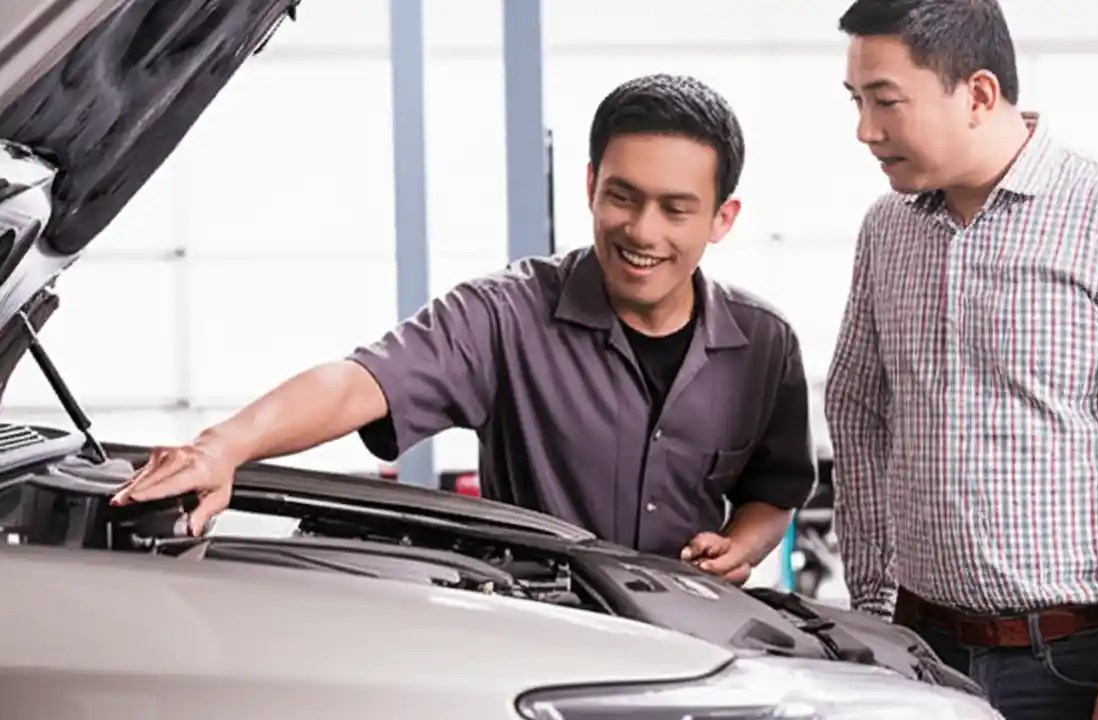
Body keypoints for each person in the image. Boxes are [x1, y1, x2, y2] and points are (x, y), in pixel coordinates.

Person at [110, 73, 816, 585]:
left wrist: (742, 546)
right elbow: (359, 382)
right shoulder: (505, 315)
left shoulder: (765, 345)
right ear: (590, 185)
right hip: (538, 646)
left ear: (722, 218)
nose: (641, 231)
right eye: (622, 198)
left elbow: (774, 491)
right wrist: (223, 446)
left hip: (697, 652)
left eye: (675, 209)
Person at [825, 1, 1098, 718]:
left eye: (886, 101)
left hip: (1079, 661)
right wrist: (874, 609)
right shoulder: (887, 229)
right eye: (856, 101)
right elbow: (857, 409)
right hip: (920, 650)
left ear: (978, 93)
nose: (864, 130)